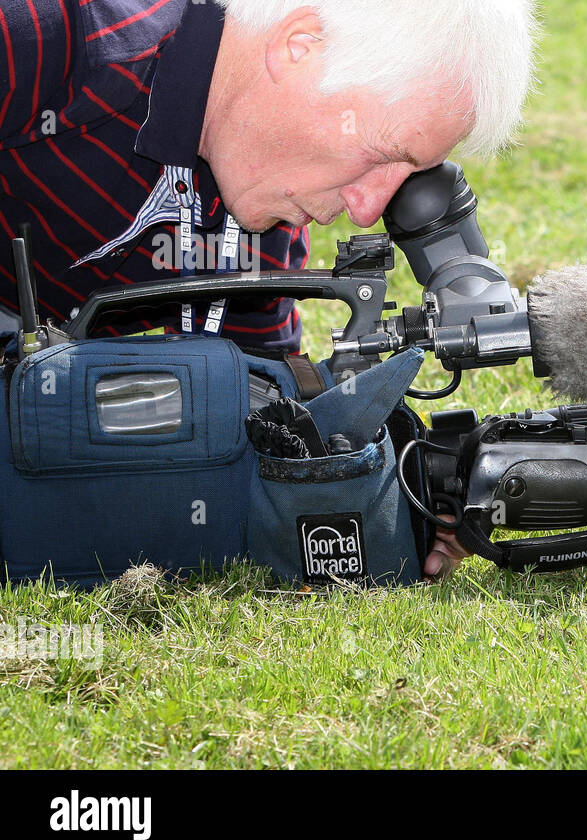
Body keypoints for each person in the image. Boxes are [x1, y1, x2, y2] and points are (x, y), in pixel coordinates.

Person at [0, 0, 535, 577]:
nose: (366, 211)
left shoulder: (264, 205)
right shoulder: (50, 31)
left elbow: (265, 424)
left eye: (406, 177)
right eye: (381, 154)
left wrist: (405, 496)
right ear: (298, 46)